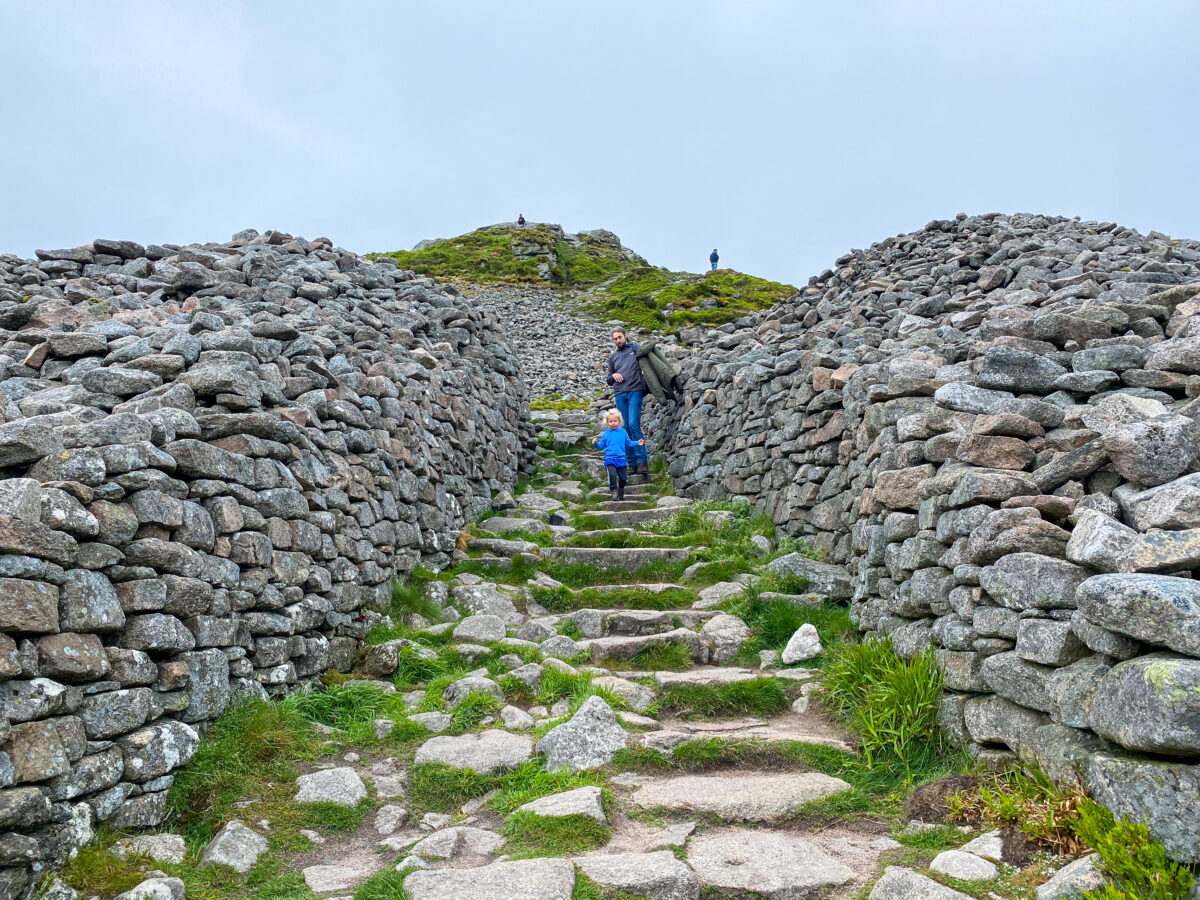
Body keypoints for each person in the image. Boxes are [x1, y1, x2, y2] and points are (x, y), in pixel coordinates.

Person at [606, 327, 650, 480]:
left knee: (633, 424)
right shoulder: (613, 357)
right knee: (623, 428)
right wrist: (614, 375)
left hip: (635, 390)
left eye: (620, 337)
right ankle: (631, 464)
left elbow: (650, 356)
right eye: (615, 339)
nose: (618, 340)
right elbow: (608, 379)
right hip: (620, 393)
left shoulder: (635, 349)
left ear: (625, 336)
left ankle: (642, 461)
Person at [592, 409, 644, 500]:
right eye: (610, 421)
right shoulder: (605, 434)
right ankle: (614, 492)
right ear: (607, 422)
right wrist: (595, 443)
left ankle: (620, 491)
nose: (613, 423)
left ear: (619, 421)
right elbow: (601, 446)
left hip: (621, 459)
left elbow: (628, 443)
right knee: (612, 475)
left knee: (623, 479)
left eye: (615, 421)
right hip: (610, 459)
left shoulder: (623, 432)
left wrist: (637, 443)